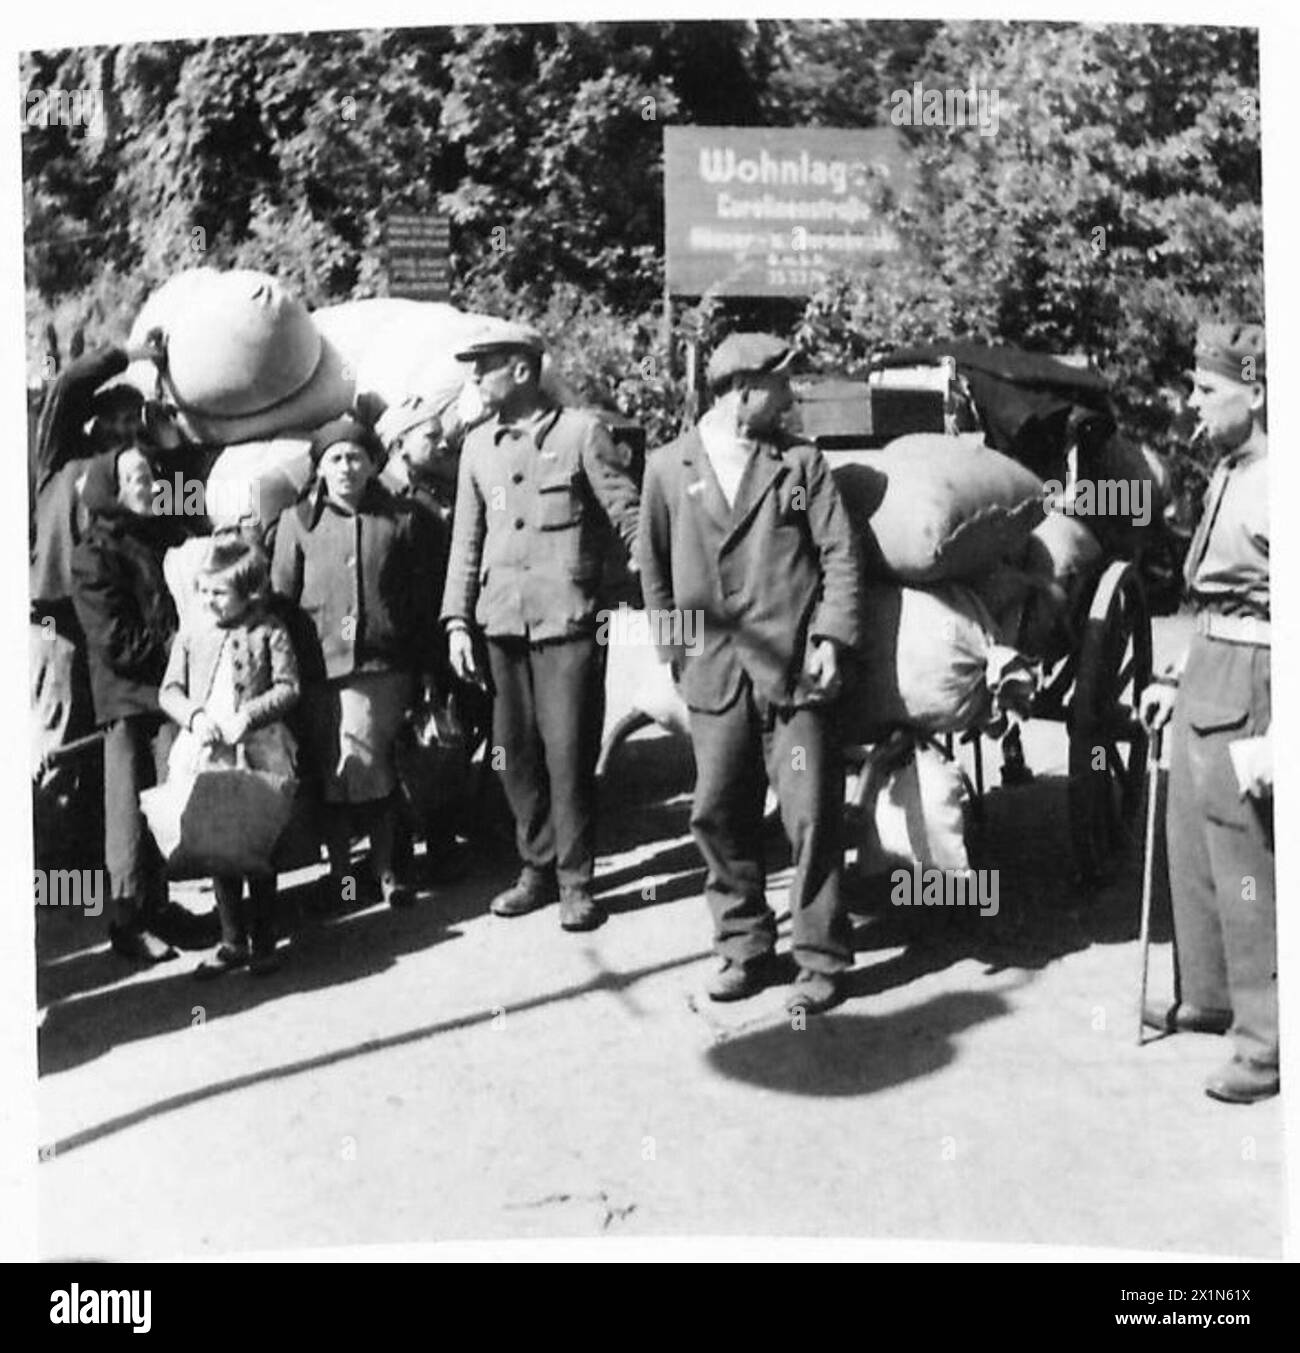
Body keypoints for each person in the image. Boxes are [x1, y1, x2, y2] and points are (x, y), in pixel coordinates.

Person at [637, 332, 862, 1015]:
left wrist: (830, 638)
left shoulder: (800, 464)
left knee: (811, 813)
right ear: (743, 392)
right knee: (718, 812)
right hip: (715, 675)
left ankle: (820, 956)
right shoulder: (668, 469)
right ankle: (743, 944)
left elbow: (839, 555)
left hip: (794, 673)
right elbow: (654, 572)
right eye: (782, 384)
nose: (791, 396)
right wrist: (679, 655)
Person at [441, 320, 640, 932]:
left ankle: (577, 880)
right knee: (513, 755)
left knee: (570, 754)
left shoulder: (583, 434)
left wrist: (651, 591)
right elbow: (466, 539)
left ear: (522, 370)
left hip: (569, 623)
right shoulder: (478, 447)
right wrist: (455, 621)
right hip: (501, 621)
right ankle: (536, 866)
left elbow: (627, 517)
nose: (474, 378)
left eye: (486, 365)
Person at [1139, 321, 1274, 1104]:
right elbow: (1216, 597)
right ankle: (1213, 997)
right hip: (1212, 670)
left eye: (1208, 388)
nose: (1192, 403)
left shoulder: (1276, 478)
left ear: (1255, 391)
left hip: (1258, 676)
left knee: (1247, 860)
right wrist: (1180, 673)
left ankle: (1265, 1043)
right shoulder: (1230, 468)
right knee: (1193, 841)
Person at [271, 416, 441, 910]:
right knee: (334, 771)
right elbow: (282, 600)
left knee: (369, 763)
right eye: (335, 459)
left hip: (383, 667)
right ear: (320, 469)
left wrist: (427, 667)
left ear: (372, 465)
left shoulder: (401, 518)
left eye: (355, 458)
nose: (346, 468)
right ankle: (345, 872)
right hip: (318, 667)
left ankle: (386, 869)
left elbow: (421, 597)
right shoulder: (297, 522)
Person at [159, 534, 300, 977]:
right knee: (219, 845)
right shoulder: (192, 633)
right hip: (207, 748)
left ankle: (265, 940)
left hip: (257, 747)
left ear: (248, 592)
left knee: (256, 845)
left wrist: (251, 716)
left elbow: (289, 686)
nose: (209, 601)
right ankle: (231, 938)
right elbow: (170, 690)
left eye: (220, 593)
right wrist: (195, 717)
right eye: (204, 591)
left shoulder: (268, 629)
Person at [70, 445, 180, 961]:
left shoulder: (153, 538)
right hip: (127, 699)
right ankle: (128, 921)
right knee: (129, 811)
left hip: (161, 691)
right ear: (111, 488)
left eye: (151, 474)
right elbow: (116, 641)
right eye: (137, 477)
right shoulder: (93, 554)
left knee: (164, 798)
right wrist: (176, 650)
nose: (151, 483)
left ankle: (159, 906)